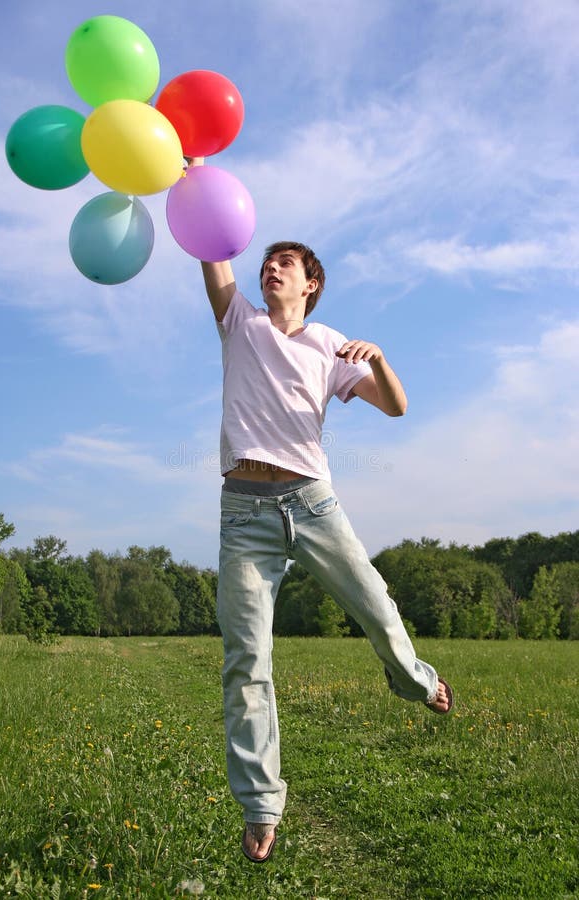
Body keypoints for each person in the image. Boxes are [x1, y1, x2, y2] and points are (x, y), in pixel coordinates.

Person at [190, 162, 453, 863]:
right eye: (267, 261)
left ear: (310, 284)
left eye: (286, 262)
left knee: (376, 605)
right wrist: (195, 174)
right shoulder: (239, 322)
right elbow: (212, 248)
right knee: (247, 659)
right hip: (244, 513)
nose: (271, 267)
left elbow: (396, 407)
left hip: (312, 502)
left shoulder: (329, 342)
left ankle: (417, 680)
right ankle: (260, 804)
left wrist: (380, 358)